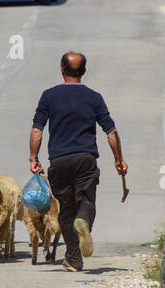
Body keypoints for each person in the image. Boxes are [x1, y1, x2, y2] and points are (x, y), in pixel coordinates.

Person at [28, 52, 128, 272]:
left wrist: (34, 158)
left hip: (59, 162)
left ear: (62, 70)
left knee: (65, 210)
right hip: (85, 159)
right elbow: (111, 132)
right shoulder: (94, 97)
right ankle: (83, 221)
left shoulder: (48, 96)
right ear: (84, 71)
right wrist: (118, 160)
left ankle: (74, 258)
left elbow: (37, 130)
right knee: (86, 202)